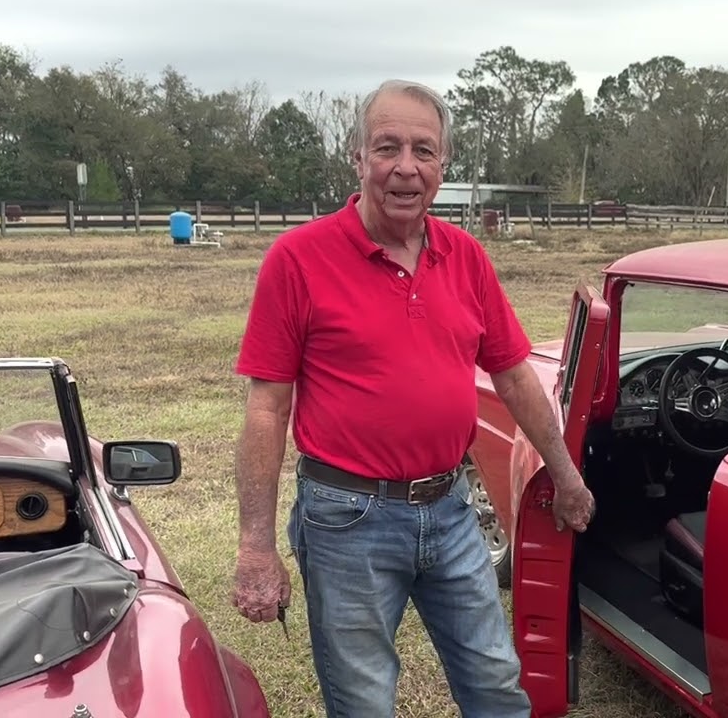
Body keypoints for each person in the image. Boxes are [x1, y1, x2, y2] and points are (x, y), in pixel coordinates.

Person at [229, 78, 596, 718]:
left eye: (423, 151)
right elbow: (267, 408)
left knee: (496, 689)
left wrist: (564, 475)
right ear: (358, 158)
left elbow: (514, 377)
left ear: (443, 165)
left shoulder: (466, 257)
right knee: (365, 701)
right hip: (347, 520)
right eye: (387, 147)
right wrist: (255, 547)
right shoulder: (298, 260)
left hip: (452, 511)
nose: (405, 168)